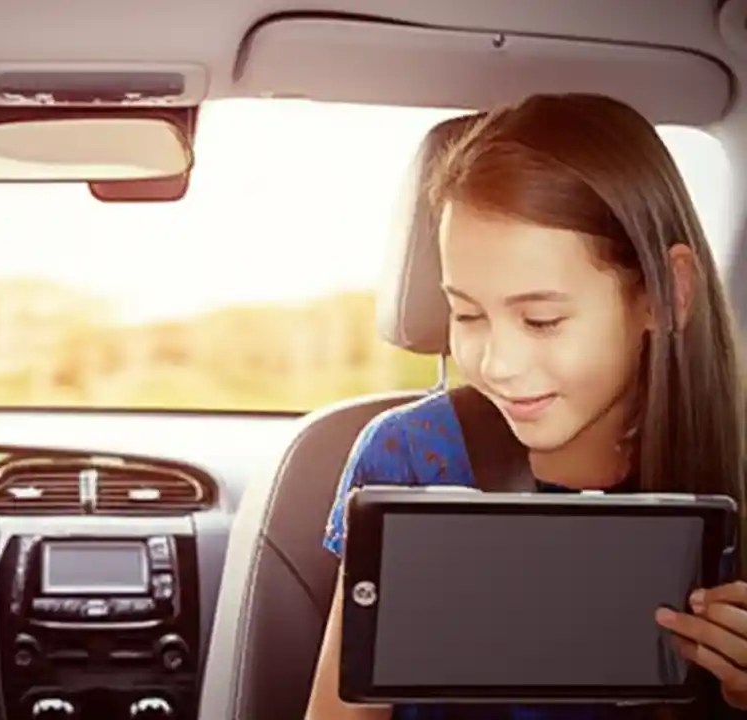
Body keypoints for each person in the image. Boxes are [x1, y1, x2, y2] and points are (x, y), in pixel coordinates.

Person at [304, 93, 747, 720]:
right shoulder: (410, 455)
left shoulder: (731, 471)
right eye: (467, 313)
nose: (496, 364)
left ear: (664, 296)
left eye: (541, 320)